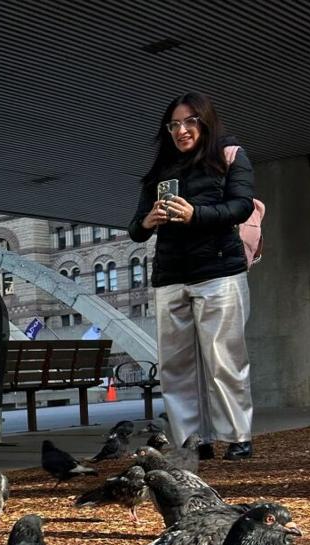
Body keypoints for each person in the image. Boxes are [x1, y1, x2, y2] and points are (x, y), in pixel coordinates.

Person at [128, 92, 257, 461]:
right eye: (174, 124)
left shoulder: (229, 155)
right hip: (170, 275)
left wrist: (194, 214)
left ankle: (237, 436)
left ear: (205, 122)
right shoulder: (158, 172)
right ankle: (192, 439)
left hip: (219, 271)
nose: (181, 130)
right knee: (176, 366)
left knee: (224, 359)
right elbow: (136, 228)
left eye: (189, 122)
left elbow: (241, 206)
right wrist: (148, 221)